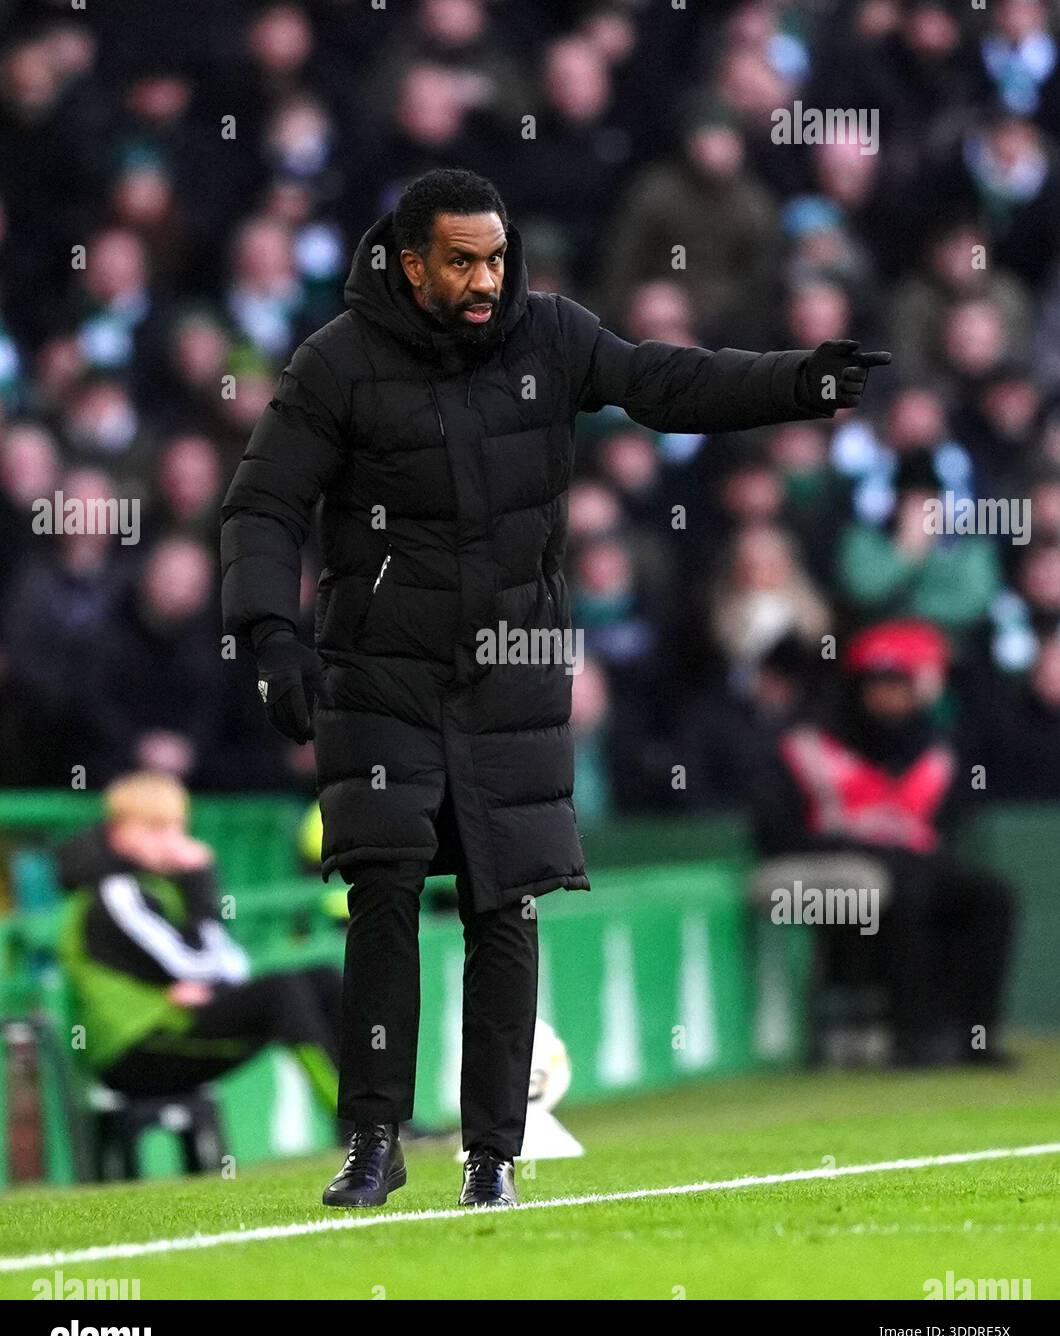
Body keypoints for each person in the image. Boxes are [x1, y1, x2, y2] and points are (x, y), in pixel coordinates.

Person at [219, 166, 891, 1209]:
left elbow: (666, 382)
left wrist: (795, 381)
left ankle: (493, 1152)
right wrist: (268, 633)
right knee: (382, 894)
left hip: (511, 673)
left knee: (505, 904)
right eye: (461, 262)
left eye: (495, 258)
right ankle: (373, 1142)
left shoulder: (552, 336)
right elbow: (262, 507)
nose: (486, 279)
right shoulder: (337, 364)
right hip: (379, 671)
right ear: (409, 264)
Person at [751, 621, 1014, 1067]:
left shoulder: (931, 745)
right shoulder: (808, 745)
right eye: (879, 685)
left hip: (913, 864)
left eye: (900, 685)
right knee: (899, 894)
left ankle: (975, 1038)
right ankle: (913, 1037)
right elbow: (776, 832)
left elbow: (948, 823)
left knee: (991, 897)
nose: (890, 697)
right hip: (837, 863)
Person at [57, 772, 342, 1118]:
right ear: (119, 834)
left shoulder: (159, 885)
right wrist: (200, 883)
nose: (171, 841)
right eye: (155, 829)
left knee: (322, 979)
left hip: (173, 1025)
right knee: (281, 992)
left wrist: (207, 982)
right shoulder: (114, 892)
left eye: (176, 828)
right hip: (133, 1049)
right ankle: (357, 1126)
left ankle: (380, 1118)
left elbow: (232, 965)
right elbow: (201, 965)